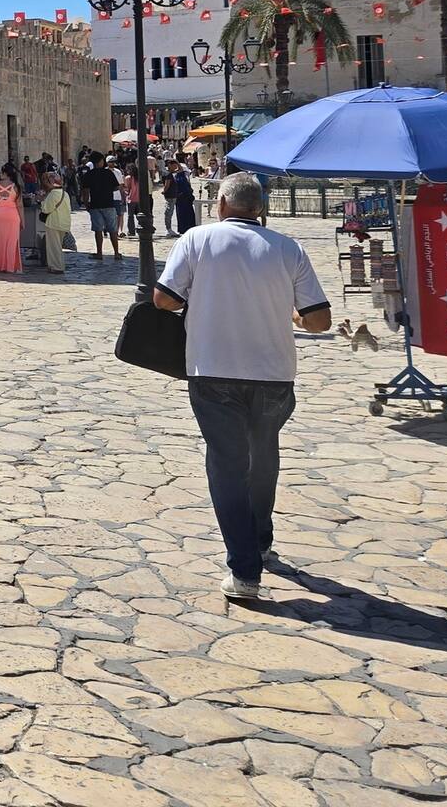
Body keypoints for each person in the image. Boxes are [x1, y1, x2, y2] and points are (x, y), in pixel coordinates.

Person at [151, 173, 332, 601]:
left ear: (221, 204)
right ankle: (261, 539)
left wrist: (200, 298)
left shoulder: (197, 240)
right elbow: (319, 321)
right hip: (273, 373)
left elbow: (164, 299)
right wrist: (291, 316)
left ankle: (245, 569)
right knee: (264, 454)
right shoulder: (289, 249)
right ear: (259, 208)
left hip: (213, 369)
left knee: (227, 465)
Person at [78, 156, 121, 259]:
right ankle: (116, 253)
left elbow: (85, 191)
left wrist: (86, 204)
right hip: (109, 204)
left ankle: (99, 253)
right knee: (112, 230)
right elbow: (116, 187)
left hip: (95, 205)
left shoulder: (89, 174)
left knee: (98, 230)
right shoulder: (108, 173)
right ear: (101, 162)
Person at [38, 171, 72, 274]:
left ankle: (56, 266)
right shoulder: (64, 193)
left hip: (54, 223)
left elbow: (46, 209)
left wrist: (41, 200)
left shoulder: (53, 194)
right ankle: (56, 265)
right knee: (58, 246)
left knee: (53, 246)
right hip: (63, 222)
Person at [0, 173, 23, 274]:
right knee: (12, 242)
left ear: (7, 173)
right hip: (12, 215)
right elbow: (20, 205)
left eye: (2, 172)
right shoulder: (16, 186)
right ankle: (10, 266)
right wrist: (22, 220)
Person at [169, 160, 198, 235]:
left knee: (189, 213)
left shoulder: (182, 175)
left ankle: (190, 227)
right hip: (179, 197)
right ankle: (182, 228)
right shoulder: (172, 175)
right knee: (181, 213)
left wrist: (176, 162)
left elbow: (181, 169)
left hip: (186, 196)